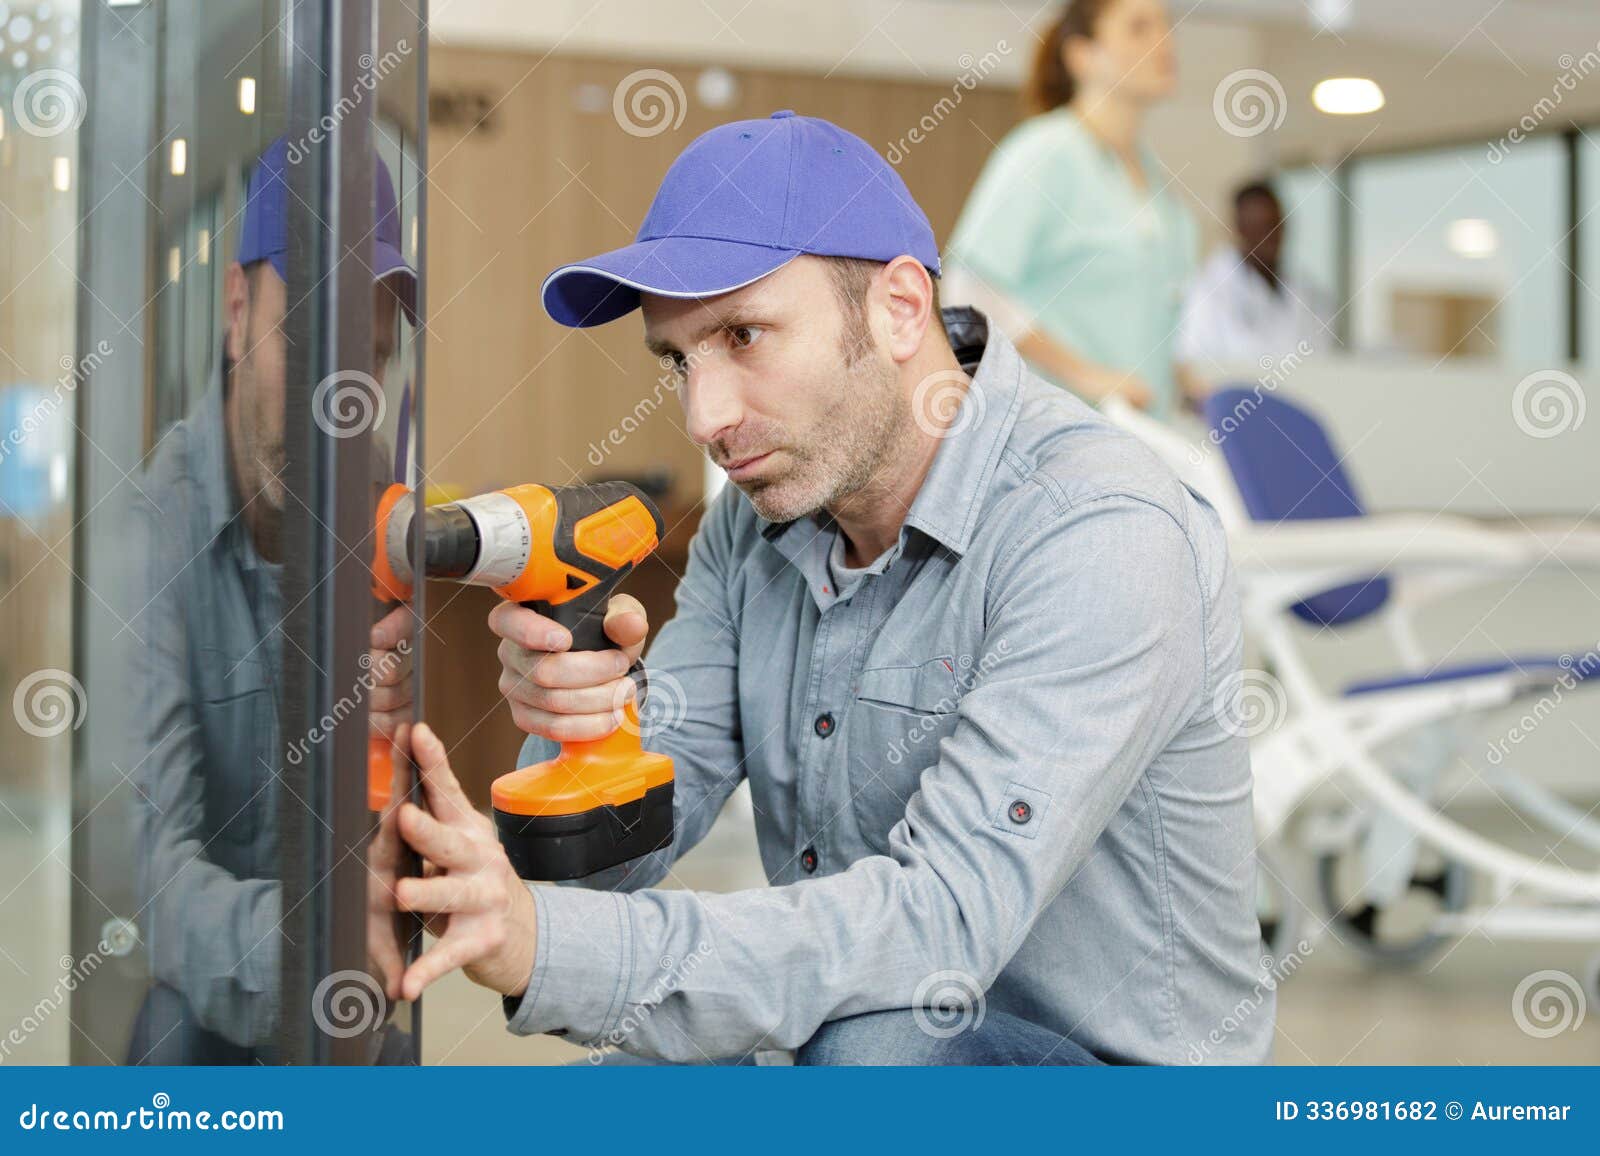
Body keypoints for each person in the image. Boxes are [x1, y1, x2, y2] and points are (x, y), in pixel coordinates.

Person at [392, 110, 1270, 1066]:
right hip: (873, 1026)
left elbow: (940, 924)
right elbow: (653, 811)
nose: (705, 416)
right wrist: (590, 733)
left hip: (1119, 1080)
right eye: (680, 360)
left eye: (745, 335)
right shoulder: (757, 521)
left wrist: (543, 944)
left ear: (898, 308)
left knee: (869, 1053)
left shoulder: (1099, 530)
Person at [124, 137, 416, 1063]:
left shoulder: (381, 513)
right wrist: (322, 943)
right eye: (310, 342)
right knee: (168, 1039)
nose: (341, 398)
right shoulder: (144, 535)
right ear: (238, 313)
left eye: (366, 357)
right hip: (213, 997)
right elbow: (148, 874)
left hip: (350, 992)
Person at [943, 0, 1202, 419]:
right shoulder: (1045, 153)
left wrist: (1182, 381)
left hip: (1138, 433)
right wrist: (1087, 376)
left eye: (1166, 26)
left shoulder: (1151, 174)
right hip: (1055, 431)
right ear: (1082, 55)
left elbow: (1142, 312)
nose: (1165, 42)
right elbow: (968, 293)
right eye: (1139, 28)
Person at [1178, 180, 1332, 371]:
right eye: (1260, 228)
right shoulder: (1208, 290)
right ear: (1239, 230)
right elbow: (1194, 368)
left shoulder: (1307, 292)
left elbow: (1324, 360)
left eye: (1275, 226)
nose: (1271, 238)